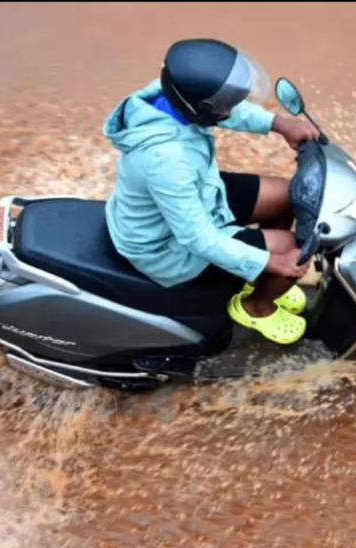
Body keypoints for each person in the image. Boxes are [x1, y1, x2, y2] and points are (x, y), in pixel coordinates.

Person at [104, 38, 320, 344]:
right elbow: (196, 238)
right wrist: (271, 263)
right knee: (289, 251)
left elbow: (227, 109)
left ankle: (256, 279)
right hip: (165, 247)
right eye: (225, 106)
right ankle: (255, 306)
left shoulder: (171, 92)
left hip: (197, 194)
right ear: (202, 109)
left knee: (286, 196)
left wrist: (279, 123)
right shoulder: (166, 160)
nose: (230, 109)